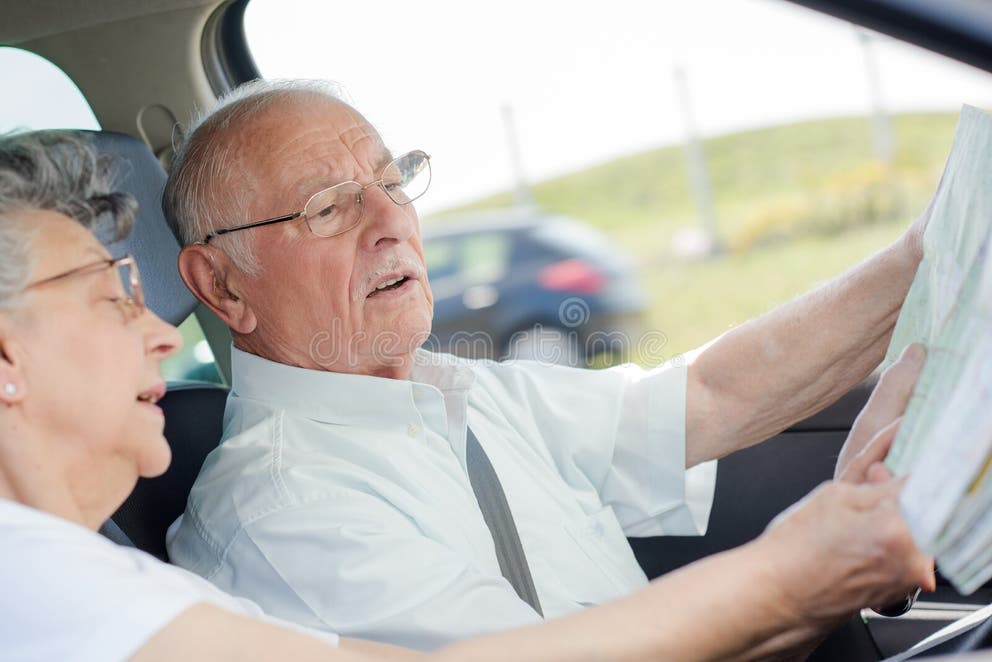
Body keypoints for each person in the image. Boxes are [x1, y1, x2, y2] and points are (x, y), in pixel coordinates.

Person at [0, 129, 933, 662]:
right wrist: (802, 579)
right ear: (225, 288)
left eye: (391, 183)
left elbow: (708, 395)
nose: (393, 221)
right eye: (328, 207)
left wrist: (924, 258)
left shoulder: (462, 389)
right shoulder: (267, 512)